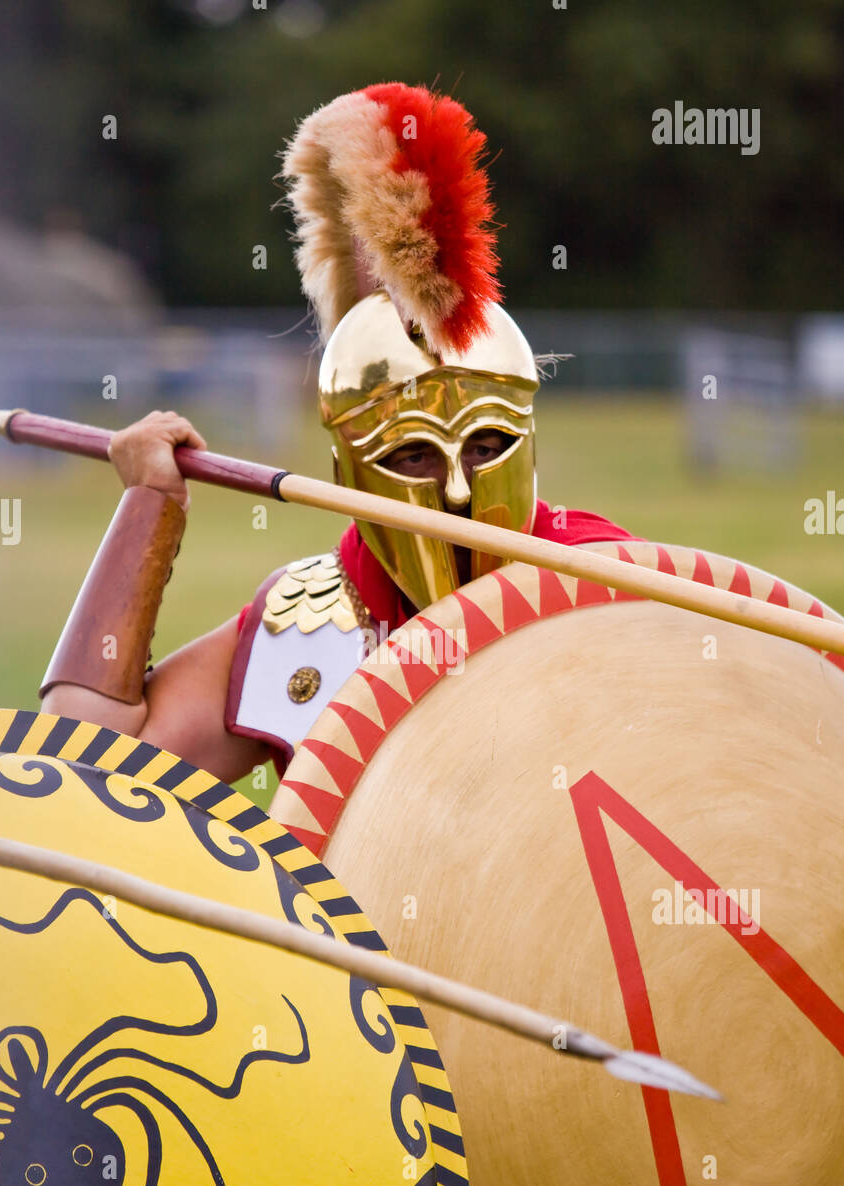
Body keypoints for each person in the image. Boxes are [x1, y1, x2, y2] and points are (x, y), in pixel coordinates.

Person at [40, 84, 637, 784]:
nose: (455, 487)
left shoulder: (607, 580)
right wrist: (149, 509)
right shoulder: (314, 615)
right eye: (412, 453)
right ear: (350, 468)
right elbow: (83, 768)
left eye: (484, 447)